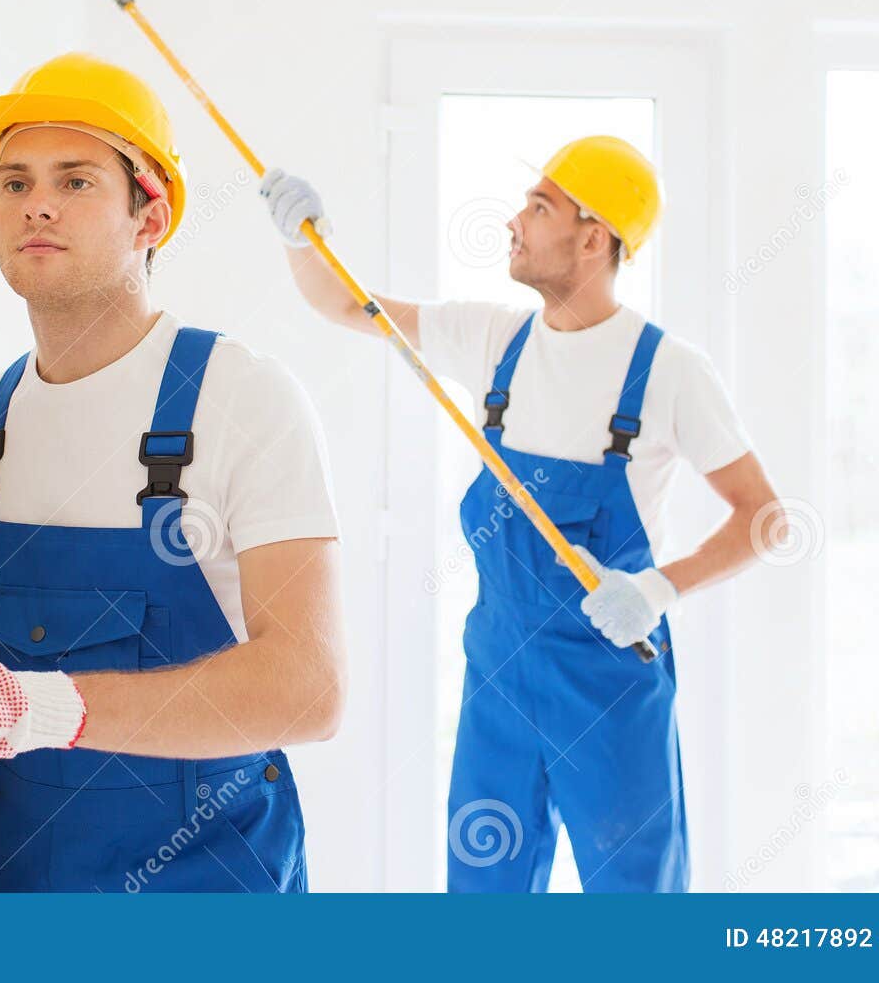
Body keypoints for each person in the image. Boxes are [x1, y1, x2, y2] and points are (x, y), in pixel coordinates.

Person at [0, 53, 345, 893]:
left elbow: (309, 688)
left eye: (75, 181)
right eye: (13, 182)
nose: (35, 203)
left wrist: (37, 707)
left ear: (150, 216)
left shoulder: (242, 398)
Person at [260, 138, 782, 892]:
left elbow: (765, 518)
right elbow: (347, 303)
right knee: (485, 894)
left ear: (594, 238)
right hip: (498, 674)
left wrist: (657, 591)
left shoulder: (667, 370)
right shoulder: (493, 341)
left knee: (636, 898)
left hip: (608, 683)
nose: (514, 221)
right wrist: (299, 239)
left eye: (540, 207)